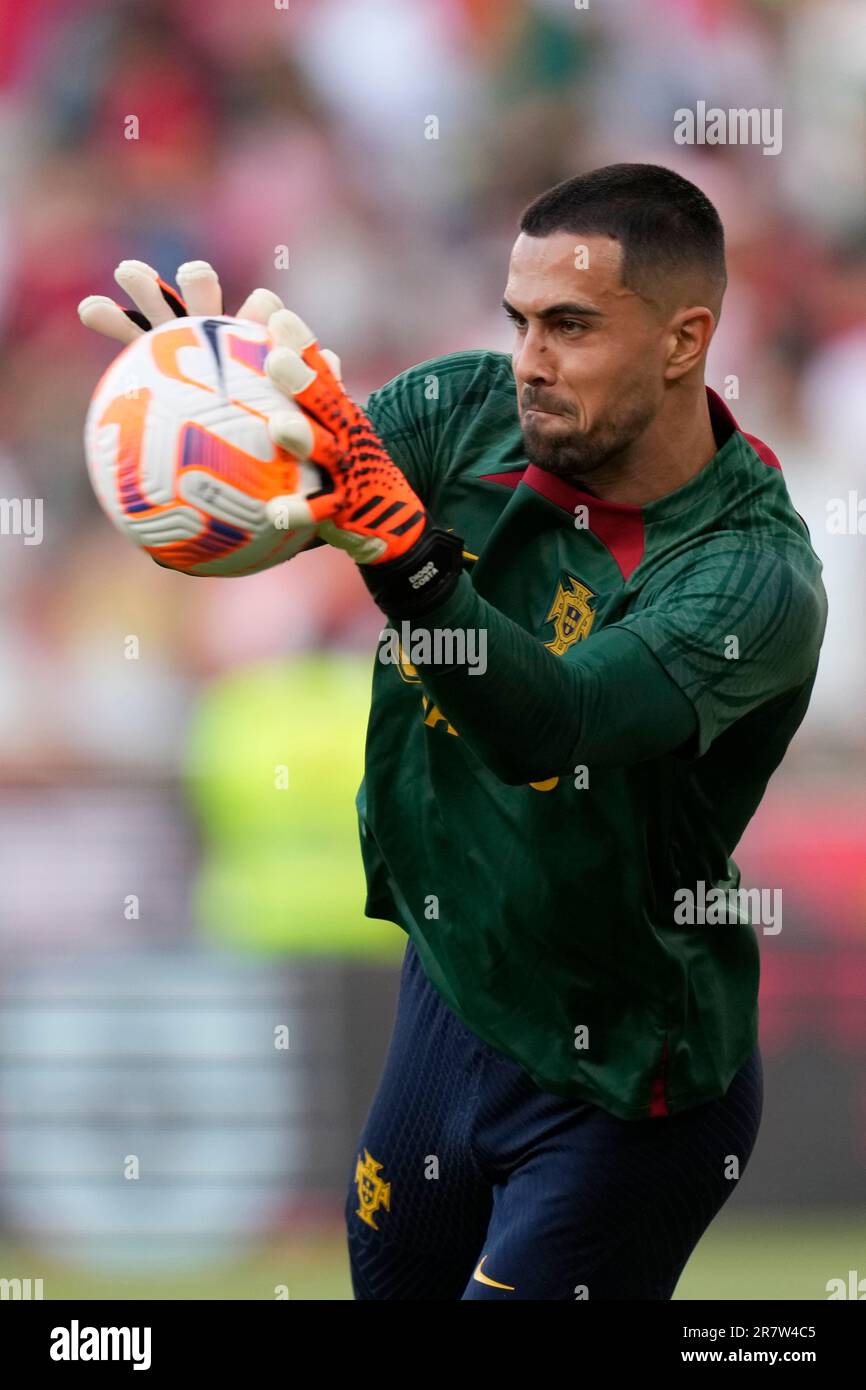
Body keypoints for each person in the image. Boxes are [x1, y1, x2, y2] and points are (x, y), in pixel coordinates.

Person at [80, 163, 827, 1301]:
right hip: (452, 995)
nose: (529, 358)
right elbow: (303, 497)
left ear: (684, 341)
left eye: (570, 327)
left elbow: (555, 725)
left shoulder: (751, 579)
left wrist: (408, 562)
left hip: (628, 1072)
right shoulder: (465, 409)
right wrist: (206, 401)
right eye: (519, 320)